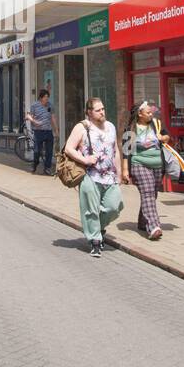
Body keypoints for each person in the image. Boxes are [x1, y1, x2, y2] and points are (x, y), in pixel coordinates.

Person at [63, 97, 123, 259]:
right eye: (98, 110)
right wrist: (85, 160)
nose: (102, 112)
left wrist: (120, 173)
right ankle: (95, 241)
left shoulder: (110, 126)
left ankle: (98, 227)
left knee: (114, 207)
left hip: (110, 176)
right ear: (89, 112)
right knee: (90, 210)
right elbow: (69, 148)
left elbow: (115, 150)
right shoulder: (82, 127)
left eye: (103, 109)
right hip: (90, 175)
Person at [124, 99, 170, 241]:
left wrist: (162, 137)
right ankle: (154, 226)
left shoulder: (156, 124)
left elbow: (167, 136)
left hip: (157, 165)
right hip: (139, 164)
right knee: (148, 192)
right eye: (148, 112)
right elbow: (126, 152)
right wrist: (125, 171)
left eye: (152, 112)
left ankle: (142, 222)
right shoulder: (131, 129)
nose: (151, 114)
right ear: (140, 114)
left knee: (151, 194)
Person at [26, 88, 55, 176]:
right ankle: (34, 164)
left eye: (48, 97)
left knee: (49, 151)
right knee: (37, 151)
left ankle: (47, 168)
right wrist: (35, 122)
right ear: (41, 97)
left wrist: (56, 129)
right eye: (45, 97)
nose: (47, 99)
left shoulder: (50, 105)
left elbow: (53, 117)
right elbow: (28, 116)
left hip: (48, 131)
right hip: (38, 132)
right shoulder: (34, 105)